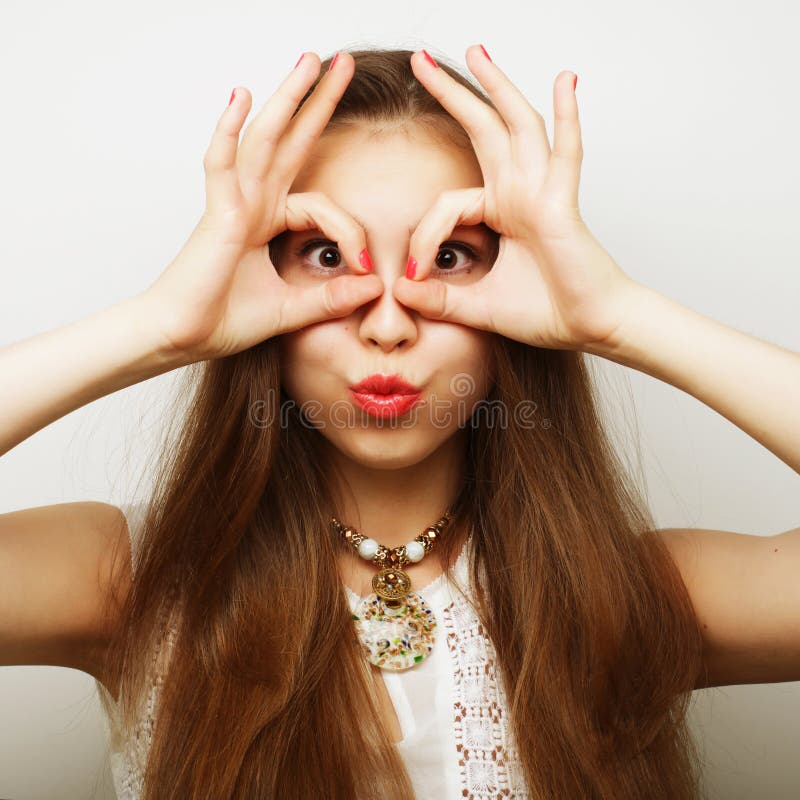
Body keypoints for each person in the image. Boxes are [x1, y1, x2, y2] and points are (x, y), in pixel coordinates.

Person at [0, 44, 798, 800]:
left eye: (450, 257)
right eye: (325, 255)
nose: (387, 326)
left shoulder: (621, 594)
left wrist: (618, 317)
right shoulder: (132, 580)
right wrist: (162, 326)